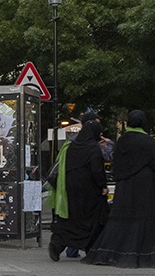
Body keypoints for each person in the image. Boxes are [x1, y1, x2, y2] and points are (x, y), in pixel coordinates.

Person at [82, 111, 155, 268]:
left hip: (125, 187)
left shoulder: (122, 140)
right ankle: (150, 255)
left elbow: (115, 162)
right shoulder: (147, 140)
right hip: (146, 187)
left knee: (123, 219)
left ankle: (112, 253)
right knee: (148, 218)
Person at [49, 112, 110, 262]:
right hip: (89, 190)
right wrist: (103, 186)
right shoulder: (93, 148)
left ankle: (57, 244)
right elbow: (97, 170)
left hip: (70, 188)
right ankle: (91, 248)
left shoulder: (71, 146)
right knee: (93, 220)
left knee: (71, 219)